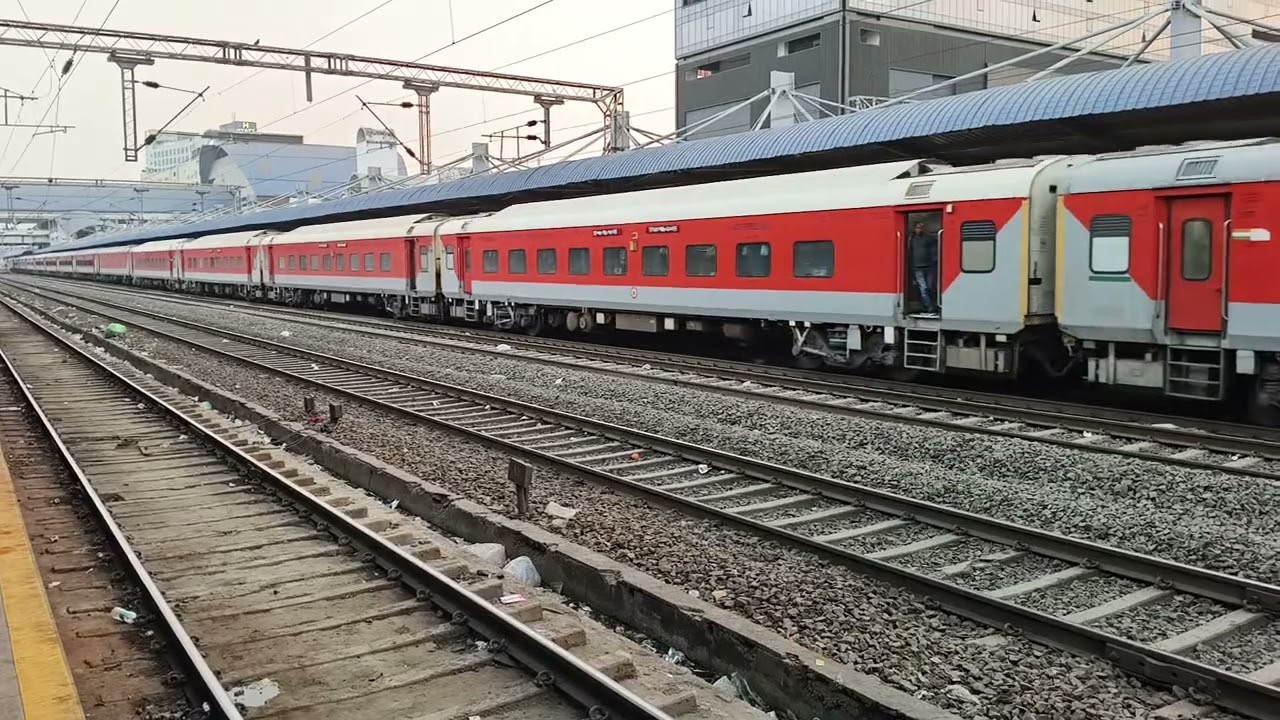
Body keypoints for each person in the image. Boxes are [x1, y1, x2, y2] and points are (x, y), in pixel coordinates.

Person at [909, 222, 940, 316]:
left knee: (931, 287)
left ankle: (932, 306)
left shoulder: (928, 238)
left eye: (921, 228)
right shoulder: (911, 240)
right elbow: (909, 253)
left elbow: (937, 241)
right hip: (917, 268)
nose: (919, 229)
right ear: (914, 229)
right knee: (924, 288)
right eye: (917, 228)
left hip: (929, 267)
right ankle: (929, 308)